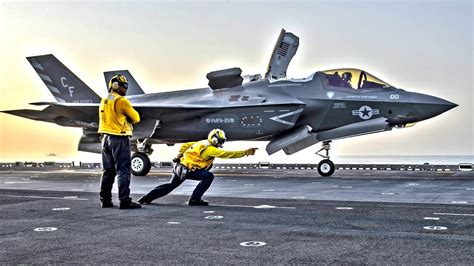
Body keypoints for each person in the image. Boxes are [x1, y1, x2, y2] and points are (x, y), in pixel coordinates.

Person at [137, 129, 258, 206]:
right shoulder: (210, 149)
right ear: (215, 140)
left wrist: (179, 155)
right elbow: (227, 155)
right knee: (208, 176)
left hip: (181, 168)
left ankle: (146, 198)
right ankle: (195, 199)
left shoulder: (203, 142)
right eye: (221, 141)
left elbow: (186, 145)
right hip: (188, 170)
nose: (222, 143)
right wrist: (245, 152)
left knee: (169, 186)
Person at [98, 74, 142, 209]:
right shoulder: (121, 101)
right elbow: (136, 118)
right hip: (119, 138)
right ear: (116, 86)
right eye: (124, 86)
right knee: (123, 170)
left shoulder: (104, 100)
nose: (126, 89)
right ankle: (125, 200)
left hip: (106, 139)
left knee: (108, 171)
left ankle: (105, 200)